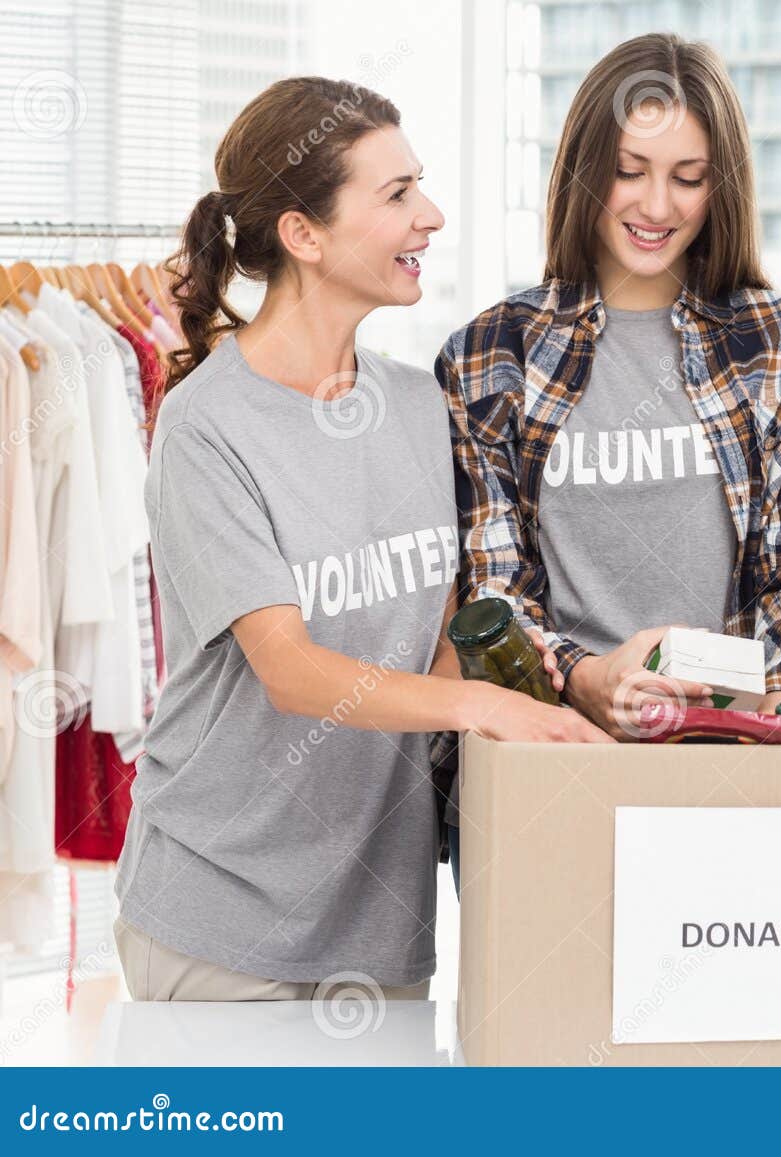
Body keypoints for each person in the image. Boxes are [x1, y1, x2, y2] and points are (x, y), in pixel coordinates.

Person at [113, 77, 608, 1004]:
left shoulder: (419, 405)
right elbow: (291, 671)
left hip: (377, 926)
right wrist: (486, 712)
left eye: (419, 184)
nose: (431, 215)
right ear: (303, 234)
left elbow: (436, 637)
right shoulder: (207, 427)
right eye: (396, 195)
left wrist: (552, 675)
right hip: (222, 920)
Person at [437, 33, 781, 882]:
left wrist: (725, 705)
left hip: (737, 773)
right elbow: (492, 591)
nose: (657, 205)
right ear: (587, 168)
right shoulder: (490, 355)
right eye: (630, 169)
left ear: (719, 186)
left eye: (688, 177)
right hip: (552, 767)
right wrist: (588, 681)